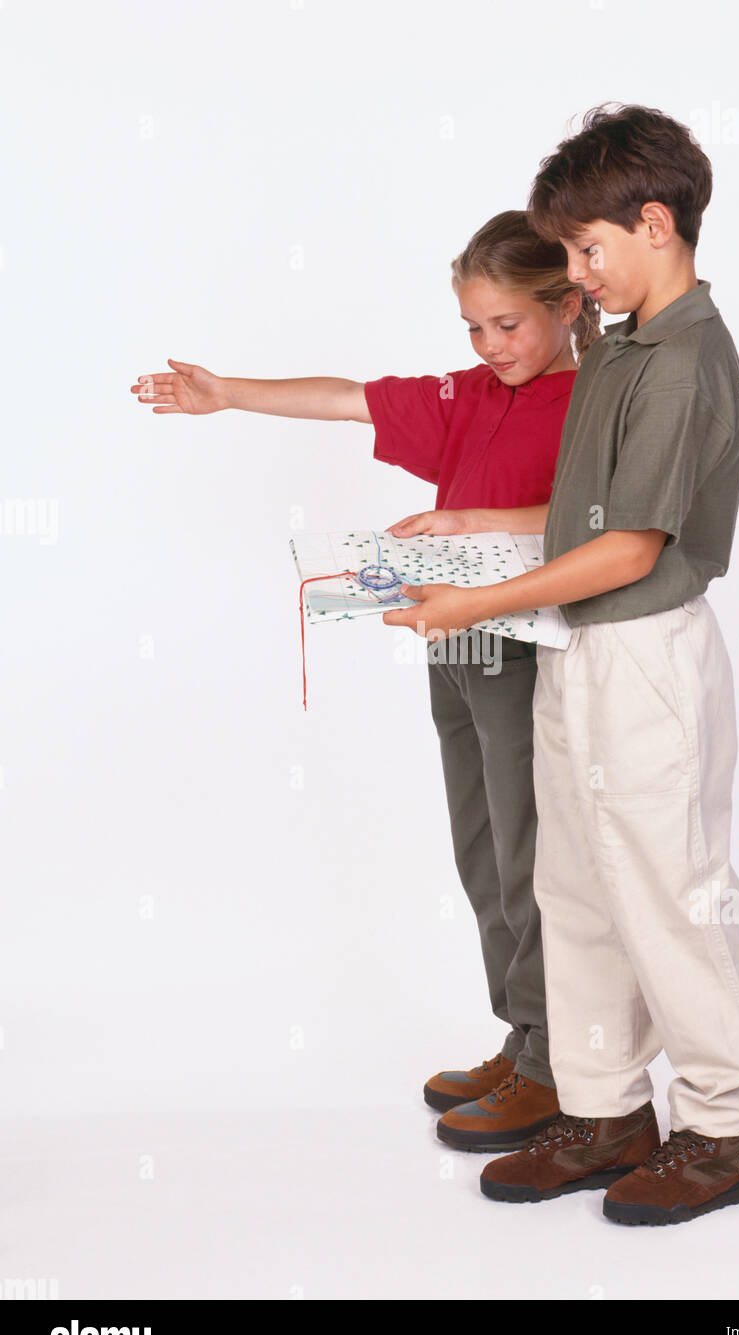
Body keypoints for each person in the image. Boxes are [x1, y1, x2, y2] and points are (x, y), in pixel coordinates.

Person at [130, 211, 601, 1153]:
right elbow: (348, 398)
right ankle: (522, 1036)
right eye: (473, 326)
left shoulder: (595, 401)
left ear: (568, 303)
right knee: (480, 851)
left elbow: (604, 520)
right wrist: (226, 392)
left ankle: (560, 1063)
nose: (489, 345)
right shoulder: (467, 393)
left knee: (530, 856)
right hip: (451, 642)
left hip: (524, 646)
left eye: (508, 324)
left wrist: (472, 521)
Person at [384, 105, 739, 1225]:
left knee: (669, 893)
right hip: (572, 646)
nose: (579, 275)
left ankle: (724, 1130)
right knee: (575, 889)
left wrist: (475, 600)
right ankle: (604, 1109)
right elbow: (568, 515)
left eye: (589, 251)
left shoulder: (685, 358)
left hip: (643, 651)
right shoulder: (615, 346)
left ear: (654, 223)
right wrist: (465, 529)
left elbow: (625, 547)